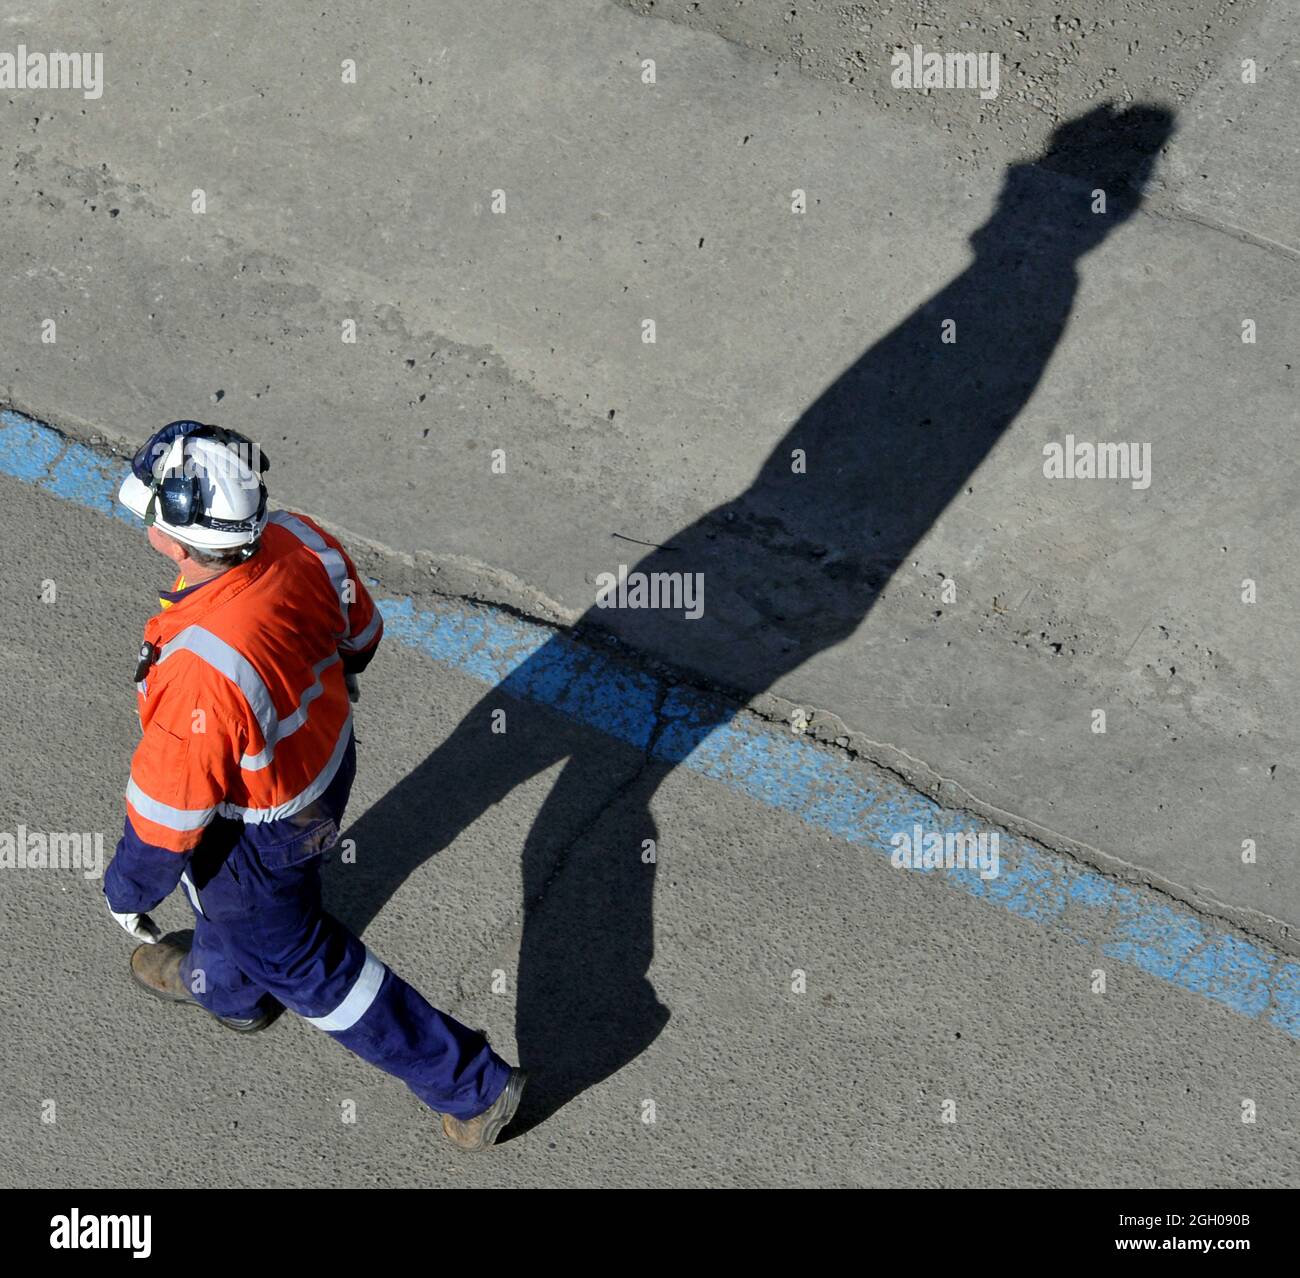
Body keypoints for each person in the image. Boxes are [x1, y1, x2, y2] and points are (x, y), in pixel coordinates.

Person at [103, 420, 526, 1152]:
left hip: (257, 829)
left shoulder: (201, 662)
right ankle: (227, 989)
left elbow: (169, 815)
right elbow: (360, 634)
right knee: (246, 922)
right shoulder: (299, 536)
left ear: (173, 536)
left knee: (305, 960)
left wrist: (127, 892)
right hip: (325, 770)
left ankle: (471, 1085)